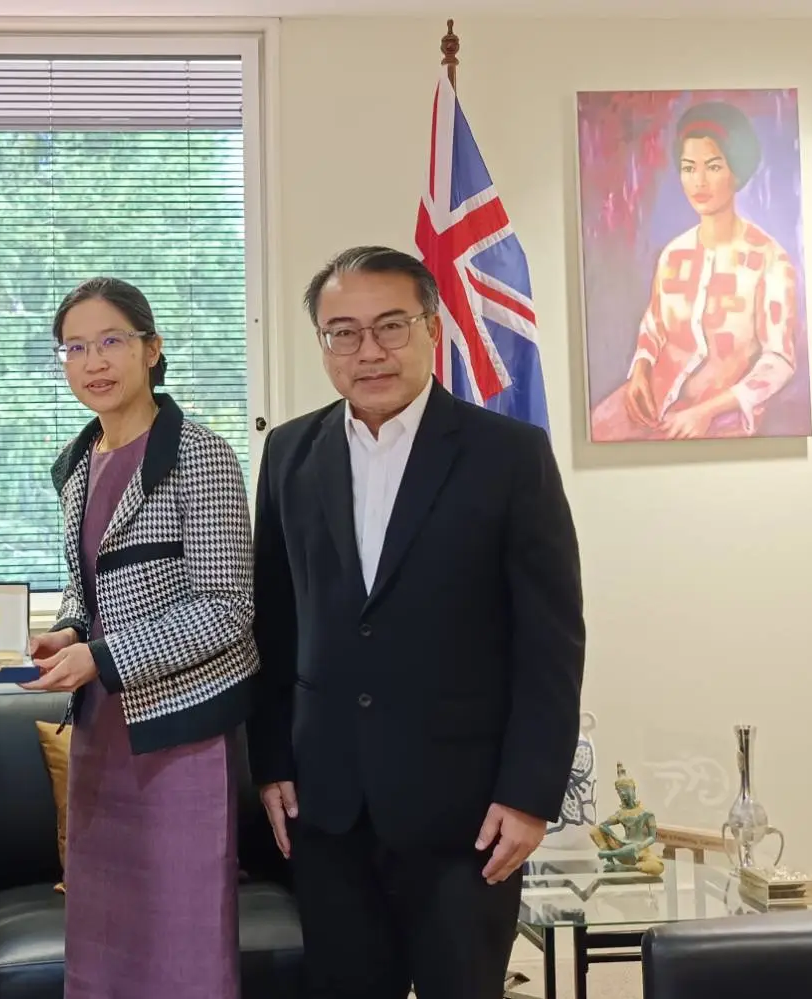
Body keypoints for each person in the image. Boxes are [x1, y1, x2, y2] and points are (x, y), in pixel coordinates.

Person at [247, 246, 585, 999]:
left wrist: (530, 795)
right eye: (343, 332)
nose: (368, 351)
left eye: (389, 326)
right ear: (322, 345)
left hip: (466, 814)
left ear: (432, 328)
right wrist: (268, 763)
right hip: (327, 809)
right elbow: (271, 623)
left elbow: (550, 641)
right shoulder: (287, 453)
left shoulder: (508, 454)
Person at [25, 277, 258, 999]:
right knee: (103, 943)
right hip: (100, 734)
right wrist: (66, 627)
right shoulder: (77, 464)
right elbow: (86, 585)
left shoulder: (202, 455)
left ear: (152, 350)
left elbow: (226, 607)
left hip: (180, 737)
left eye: (111, 341)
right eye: (75, 347)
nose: (93, 361)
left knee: (180, 942)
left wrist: (98, 655)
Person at [590, 99, 802, 441]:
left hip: (722, 414)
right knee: (599, 426)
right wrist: (641, 369)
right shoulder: (674, 254)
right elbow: (653, 327)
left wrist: (706, 412)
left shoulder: (769, 260)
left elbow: (779, 359)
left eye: (713, 166)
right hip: (656, 401)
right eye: (689, 168)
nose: (699, 181)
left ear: (737, 170)